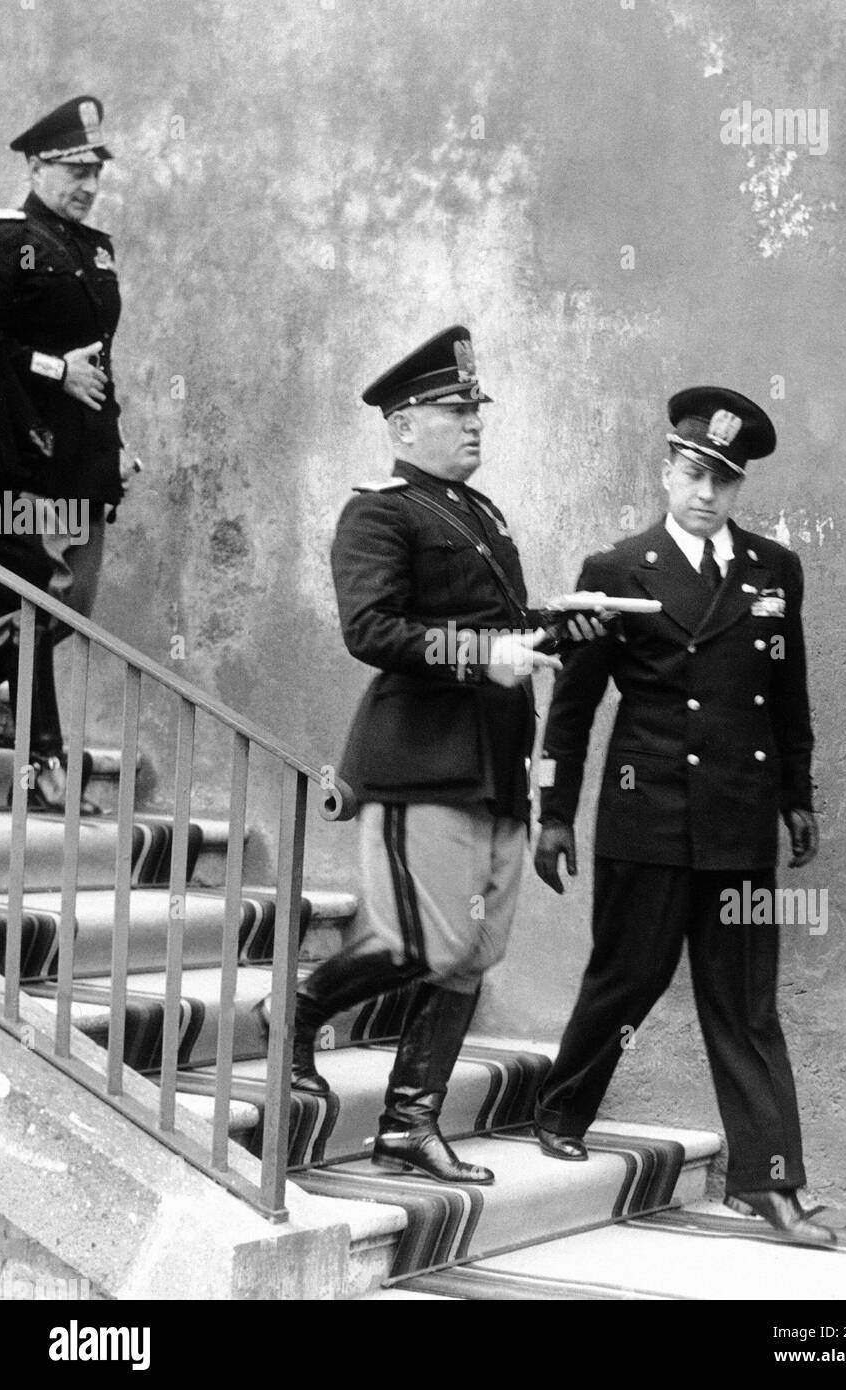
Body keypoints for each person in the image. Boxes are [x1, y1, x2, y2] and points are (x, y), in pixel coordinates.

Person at [291, 325, 601, 1185]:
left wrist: (559, 626)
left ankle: (408, 1122)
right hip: (420, 758)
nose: (474, 424)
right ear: (402, 426)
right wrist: (481, 655)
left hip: (495, 762)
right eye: (454, 410)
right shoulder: (379, 510)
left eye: (476, 410)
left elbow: (494, 632)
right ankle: (294, 1008)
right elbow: (371, 628)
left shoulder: (481, 513)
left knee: (472, 952)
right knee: (430, 937)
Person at [532, 386, 836, 1248]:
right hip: (648, 814)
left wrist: (796, 795)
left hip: (739, 822)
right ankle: (562, 1107)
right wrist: (555, 810)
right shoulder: (617, 571)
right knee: (627, 978)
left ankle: (770, 1181)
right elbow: (575, 703)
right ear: (667, 471)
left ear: (740, 489)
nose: (707, 493)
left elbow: (789, 693)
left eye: (725, 481)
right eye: (695, 473)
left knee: (745, 1005)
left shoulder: (774, 572)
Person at [0, 95, 126, 813]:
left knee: (71, 605)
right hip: (20, 455)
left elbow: (104, 357)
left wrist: (119, 437)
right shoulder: (7, 239)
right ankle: (43, 760)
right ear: (35, 165)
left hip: (83, 459)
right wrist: (55, 371)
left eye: (94, 172)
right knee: (30, 596)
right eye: (72, 170)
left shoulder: (93, 248)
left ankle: (16, 709)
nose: (86, 185)